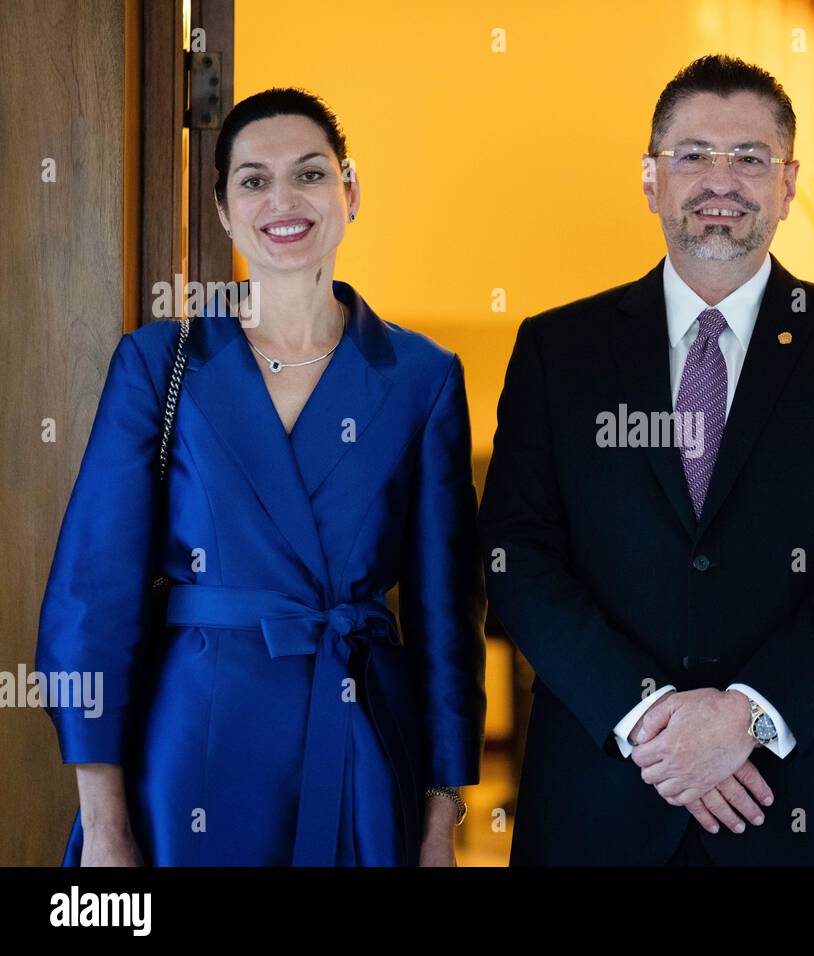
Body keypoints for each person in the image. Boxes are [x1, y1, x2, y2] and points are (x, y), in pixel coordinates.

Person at [478, 55, 814, 865]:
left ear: (789, 184)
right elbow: (519, 556)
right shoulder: (558, 351)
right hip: (599, 795)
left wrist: (748, 715)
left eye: (750, 158)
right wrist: (652, 722)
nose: (720, 180)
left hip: (795, 801)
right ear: (650, 179)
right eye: (692, 155)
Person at [36, 88, 486, 866]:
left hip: (358, 737)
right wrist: (104, 820)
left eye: (310, 174)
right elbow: (92, 592)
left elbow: (448, 618)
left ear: (351, 191)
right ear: (222, 209)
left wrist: (443, 818)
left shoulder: (421, 376)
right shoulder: (159, 361)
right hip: (191, 744)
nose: (283, 200)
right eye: (253, 180)